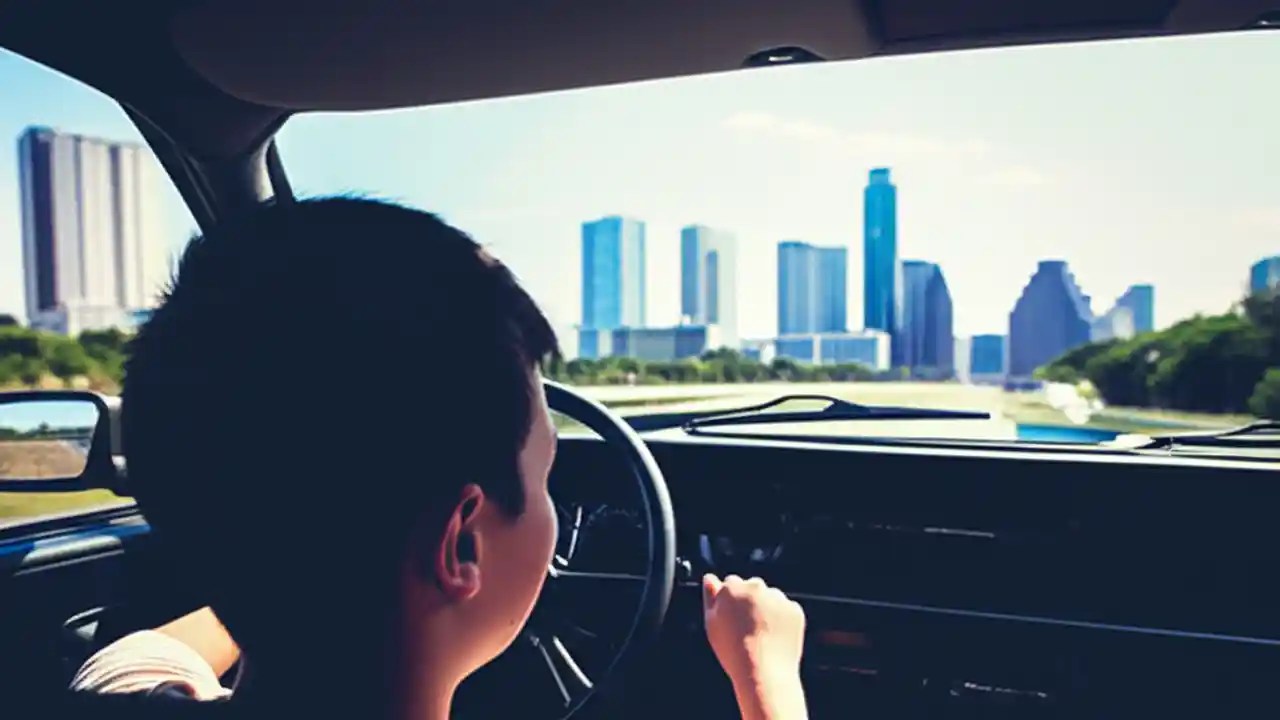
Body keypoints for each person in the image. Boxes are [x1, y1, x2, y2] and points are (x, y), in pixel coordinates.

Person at [69, 197, 809, 720]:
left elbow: (144, 650)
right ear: (460, 541)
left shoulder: (120, 695)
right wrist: (765, 674)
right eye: (547, 478)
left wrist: (281, 577)